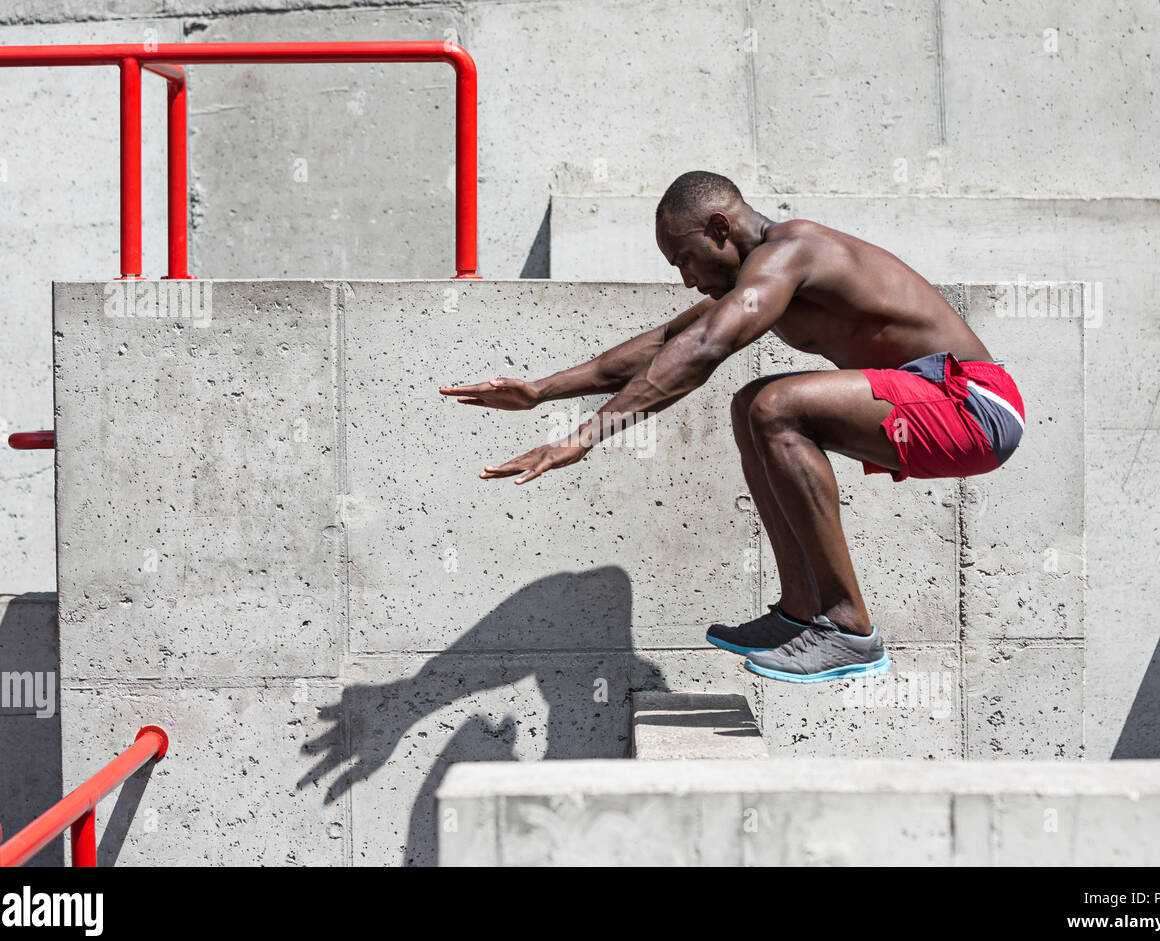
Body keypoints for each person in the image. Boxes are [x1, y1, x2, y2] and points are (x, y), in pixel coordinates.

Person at [439, 170, 1025, 683]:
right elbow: (666, 343)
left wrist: (583, 437)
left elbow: (701, 352)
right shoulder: (763, 276)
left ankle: (848, 628)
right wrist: (541, 391)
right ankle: (801, 613)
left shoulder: (791, 253)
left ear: (721, 227)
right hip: (935, 405)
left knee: (776, 404)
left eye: (687, 260)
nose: (690, 281)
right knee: (752, 405)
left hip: (974, 406)